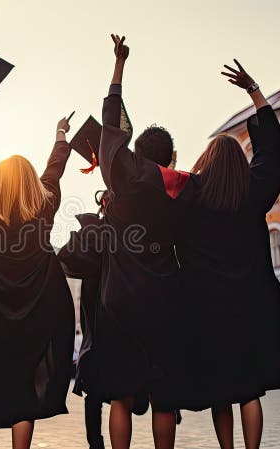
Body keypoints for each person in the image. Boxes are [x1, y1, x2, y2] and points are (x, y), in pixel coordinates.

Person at [176, 59, 280, 449]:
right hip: (251, 305)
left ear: (205, 162)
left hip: (207, 310)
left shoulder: (192, 198)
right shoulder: (252, 191)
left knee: (221, 390)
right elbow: (272, 152)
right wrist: (254, 90)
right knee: (249, 390)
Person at [0, 97, 75, 449]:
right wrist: (60, 133)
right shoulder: (44, 207)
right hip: (31, 324)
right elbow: (55, 168)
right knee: (24, 392)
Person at [96, 34, 190, 449]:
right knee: (164, 398)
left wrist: (119, 67)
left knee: (120, 395)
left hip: (118, 301)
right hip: (167, 299)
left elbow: (110, 120)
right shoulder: (184, 188)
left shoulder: (120, 178)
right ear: (169, 157)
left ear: (135, 152)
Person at [58, 190, 111, 449]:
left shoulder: (102, 231)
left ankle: (96, 444)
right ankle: (96, 443)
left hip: (101, 326)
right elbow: (67, 256)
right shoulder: (103, 231)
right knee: (103, 392)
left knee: (97, 393)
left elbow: (67, 258)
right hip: (103, 322)